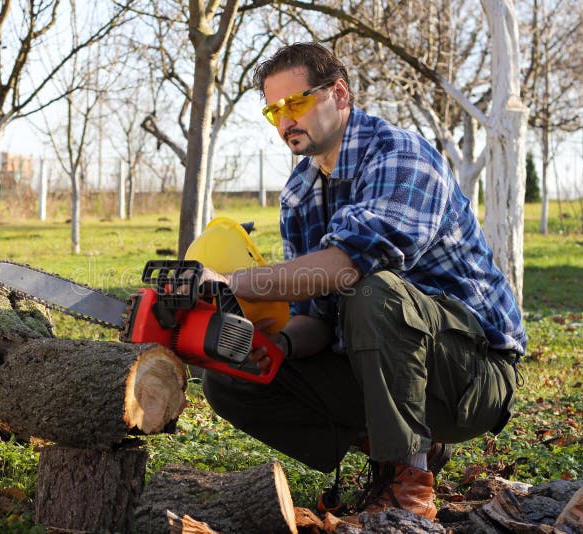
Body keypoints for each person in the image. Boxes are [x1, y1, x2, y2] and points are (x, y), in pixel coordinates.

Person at [199, 42, 526, 520]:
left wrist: (233, 282)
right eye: (274, 111)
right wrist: (276, 350)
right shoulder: (299, 195)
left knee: (372, 290)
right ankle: (403, 444)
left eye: (297, 103)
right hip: (384, 365)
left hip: (474, 374)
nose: (285, 120)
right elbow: (314, 319)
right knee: (230, 381)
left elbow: (345, 267)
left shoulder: (400, 155)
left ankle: (408, 486)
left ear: (340, 94)